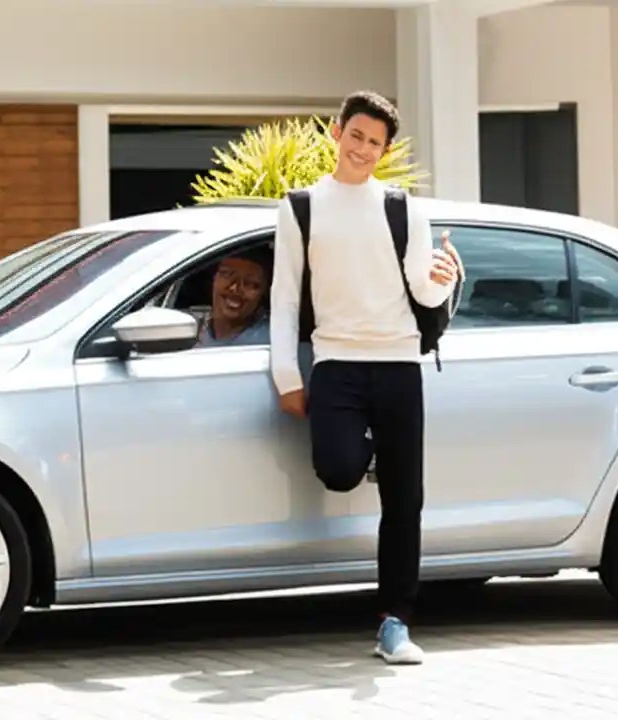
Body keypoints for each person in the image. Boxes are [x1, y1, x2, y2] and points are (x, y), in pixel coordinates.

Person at [268, 91, 461, 665]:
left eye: (375, 142)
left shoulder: (403, 209)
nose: (363, 148)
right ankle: (369, 449)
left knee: (404, 502)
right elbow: (285, 296)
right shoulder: (301, 207)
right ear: (337, 132)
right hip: (335, 363)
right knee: (338, 468)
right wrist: (286, 375)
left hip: (399, 364)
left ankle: (395, 623)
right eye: (356, 135)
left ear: (385, 150)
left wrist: (445, 279)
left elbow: (423, 291)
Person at [195, 247, 272, 347]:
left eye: (249, 283)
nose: (235, 288)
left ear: (264, 291)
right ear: (214, 277)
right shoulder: (193, 326)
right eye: (228, 274)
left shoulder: (265, 343)